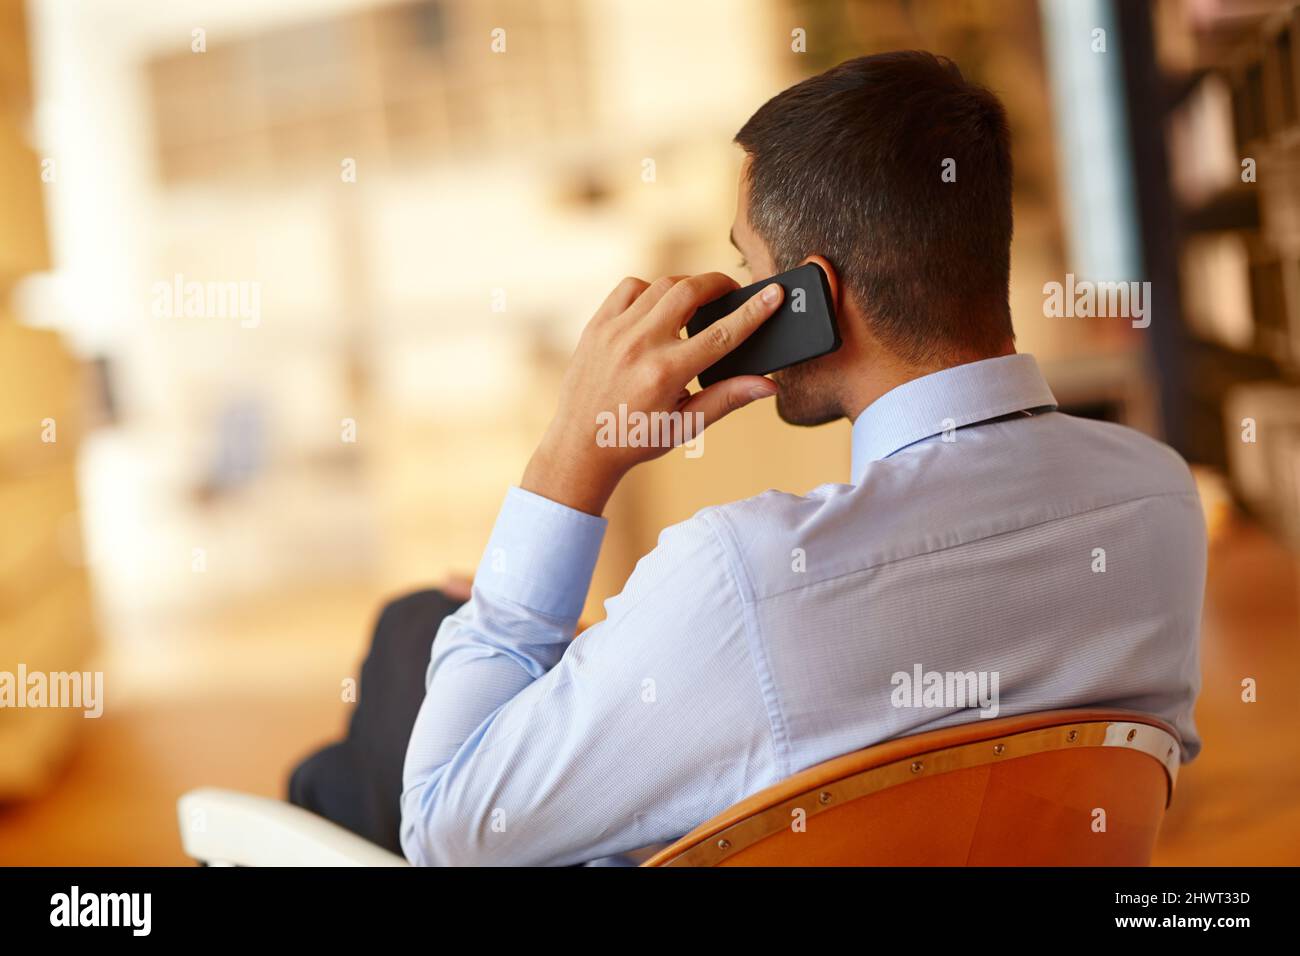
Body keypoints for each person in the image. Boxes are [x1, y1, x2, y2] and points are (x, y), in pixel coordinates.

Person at [290, 50, 1206, 866]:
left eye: (749, 264)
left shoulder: (745, 577)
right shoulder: (1160, 499)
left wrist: (577, 453)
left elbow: (447, 827)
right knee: (427, 639)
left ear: (810, 294)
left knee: (402, 653)